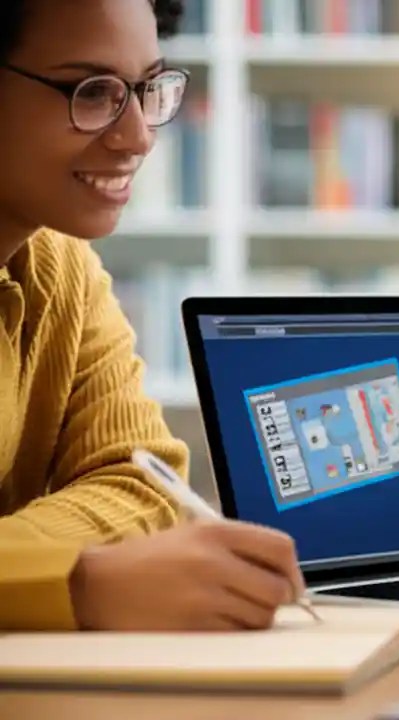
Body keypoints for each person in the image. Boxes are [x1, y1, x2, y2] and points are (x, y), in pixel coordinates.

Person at [0, 0, 303, 631]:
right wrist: (76, 579)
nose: (138, 136)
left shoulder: (63, 270)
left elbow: (139, 482)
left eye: (146, 89)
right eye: (92, 91)